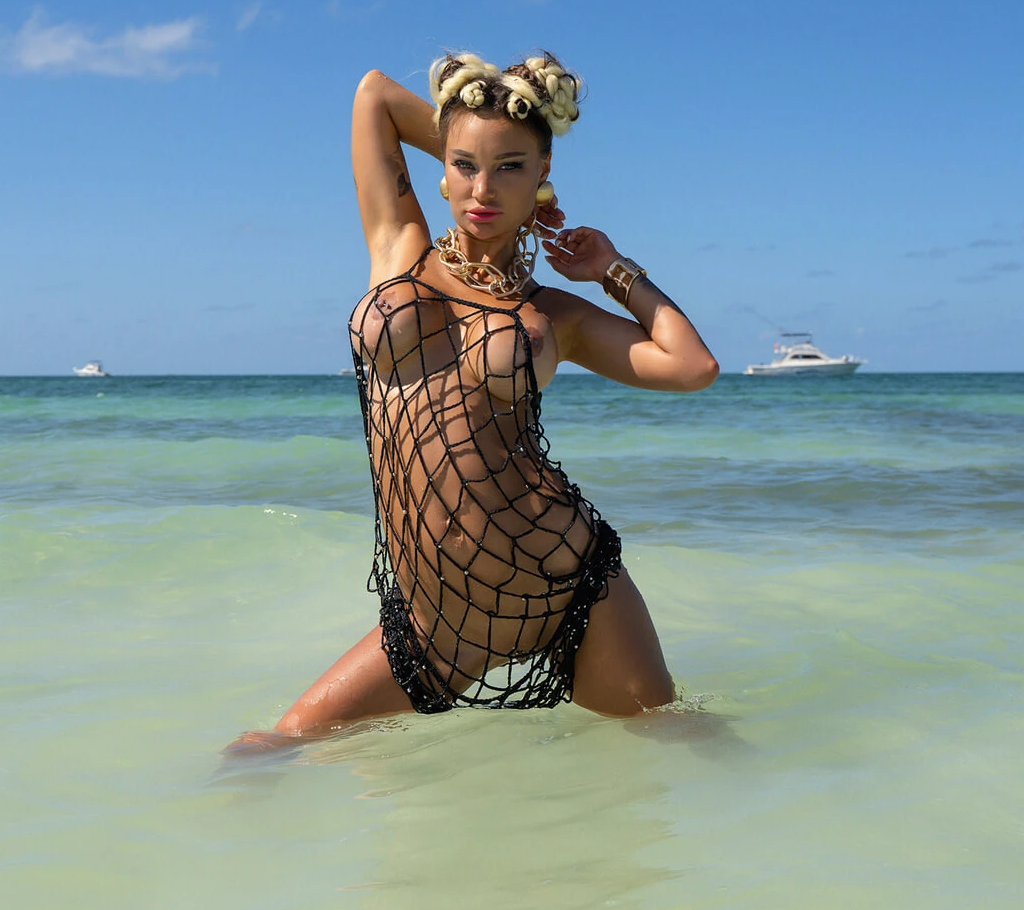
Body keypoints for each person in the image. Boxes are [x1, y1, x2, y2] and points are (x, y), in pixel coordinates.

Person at [256, 52, 719, 741]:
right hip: (435, 620)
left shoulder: (551, 314)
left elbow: (692, 365)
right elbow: (373, 95)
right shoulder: (400, 246)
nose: (483, 187)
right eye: (465, 163)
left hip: (568, 585)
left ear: (542, 178)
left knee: (685, 749)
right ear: (441, 167)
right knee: (271, 747)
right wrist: (485, 119)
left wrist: (610, 270)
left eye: (511, 167)